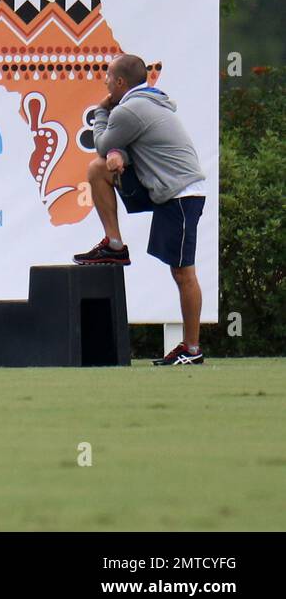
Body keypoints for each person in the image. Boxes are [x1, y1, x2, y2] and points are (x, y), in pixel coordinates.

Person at [73, 54, 208, 366]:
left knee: (183, 272)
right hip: (163, 189)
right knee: (99, 170)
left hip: (181, 194)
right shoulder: (142, 104)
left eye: (108, 78)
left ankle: (191, 349)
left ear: (120, 83)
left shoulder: (128, 109)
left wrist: (102, 111)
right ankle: (115, 246)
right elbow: (116, 148)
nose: (105, 83)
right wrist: (117, 152)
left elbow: (103, 144)